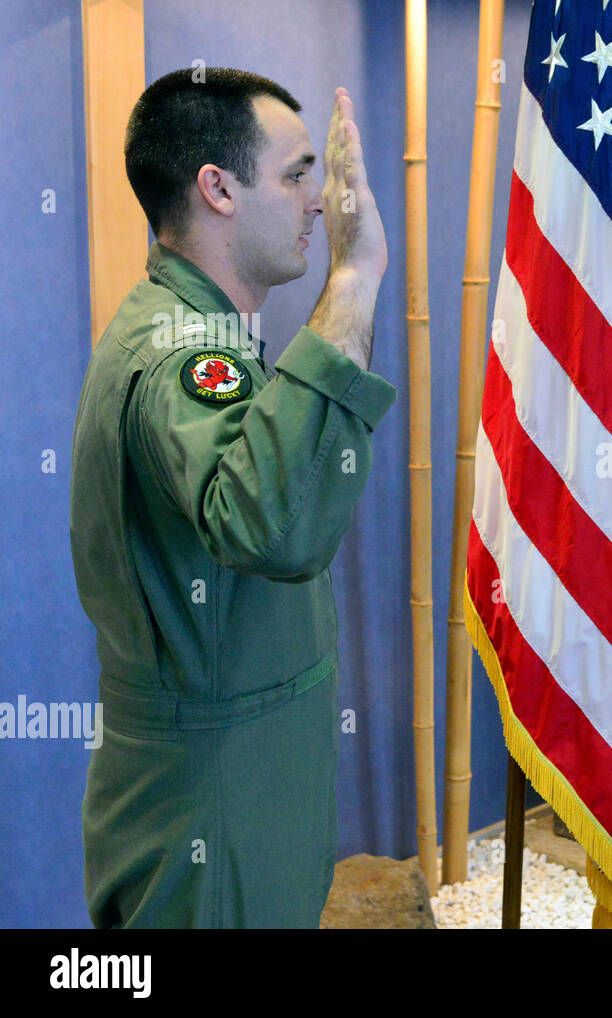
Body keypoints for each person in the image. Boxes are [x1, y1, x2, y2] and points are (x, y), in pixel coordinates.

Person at [69, 68, 395, 928]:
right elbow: (275, 528)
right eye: (295, 175)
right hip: (214, 808)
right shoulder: (181, 354)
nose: (320, 201)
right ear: (217, 189)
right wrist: (354, 278)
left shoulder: (192, 327)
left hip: (238, 786)